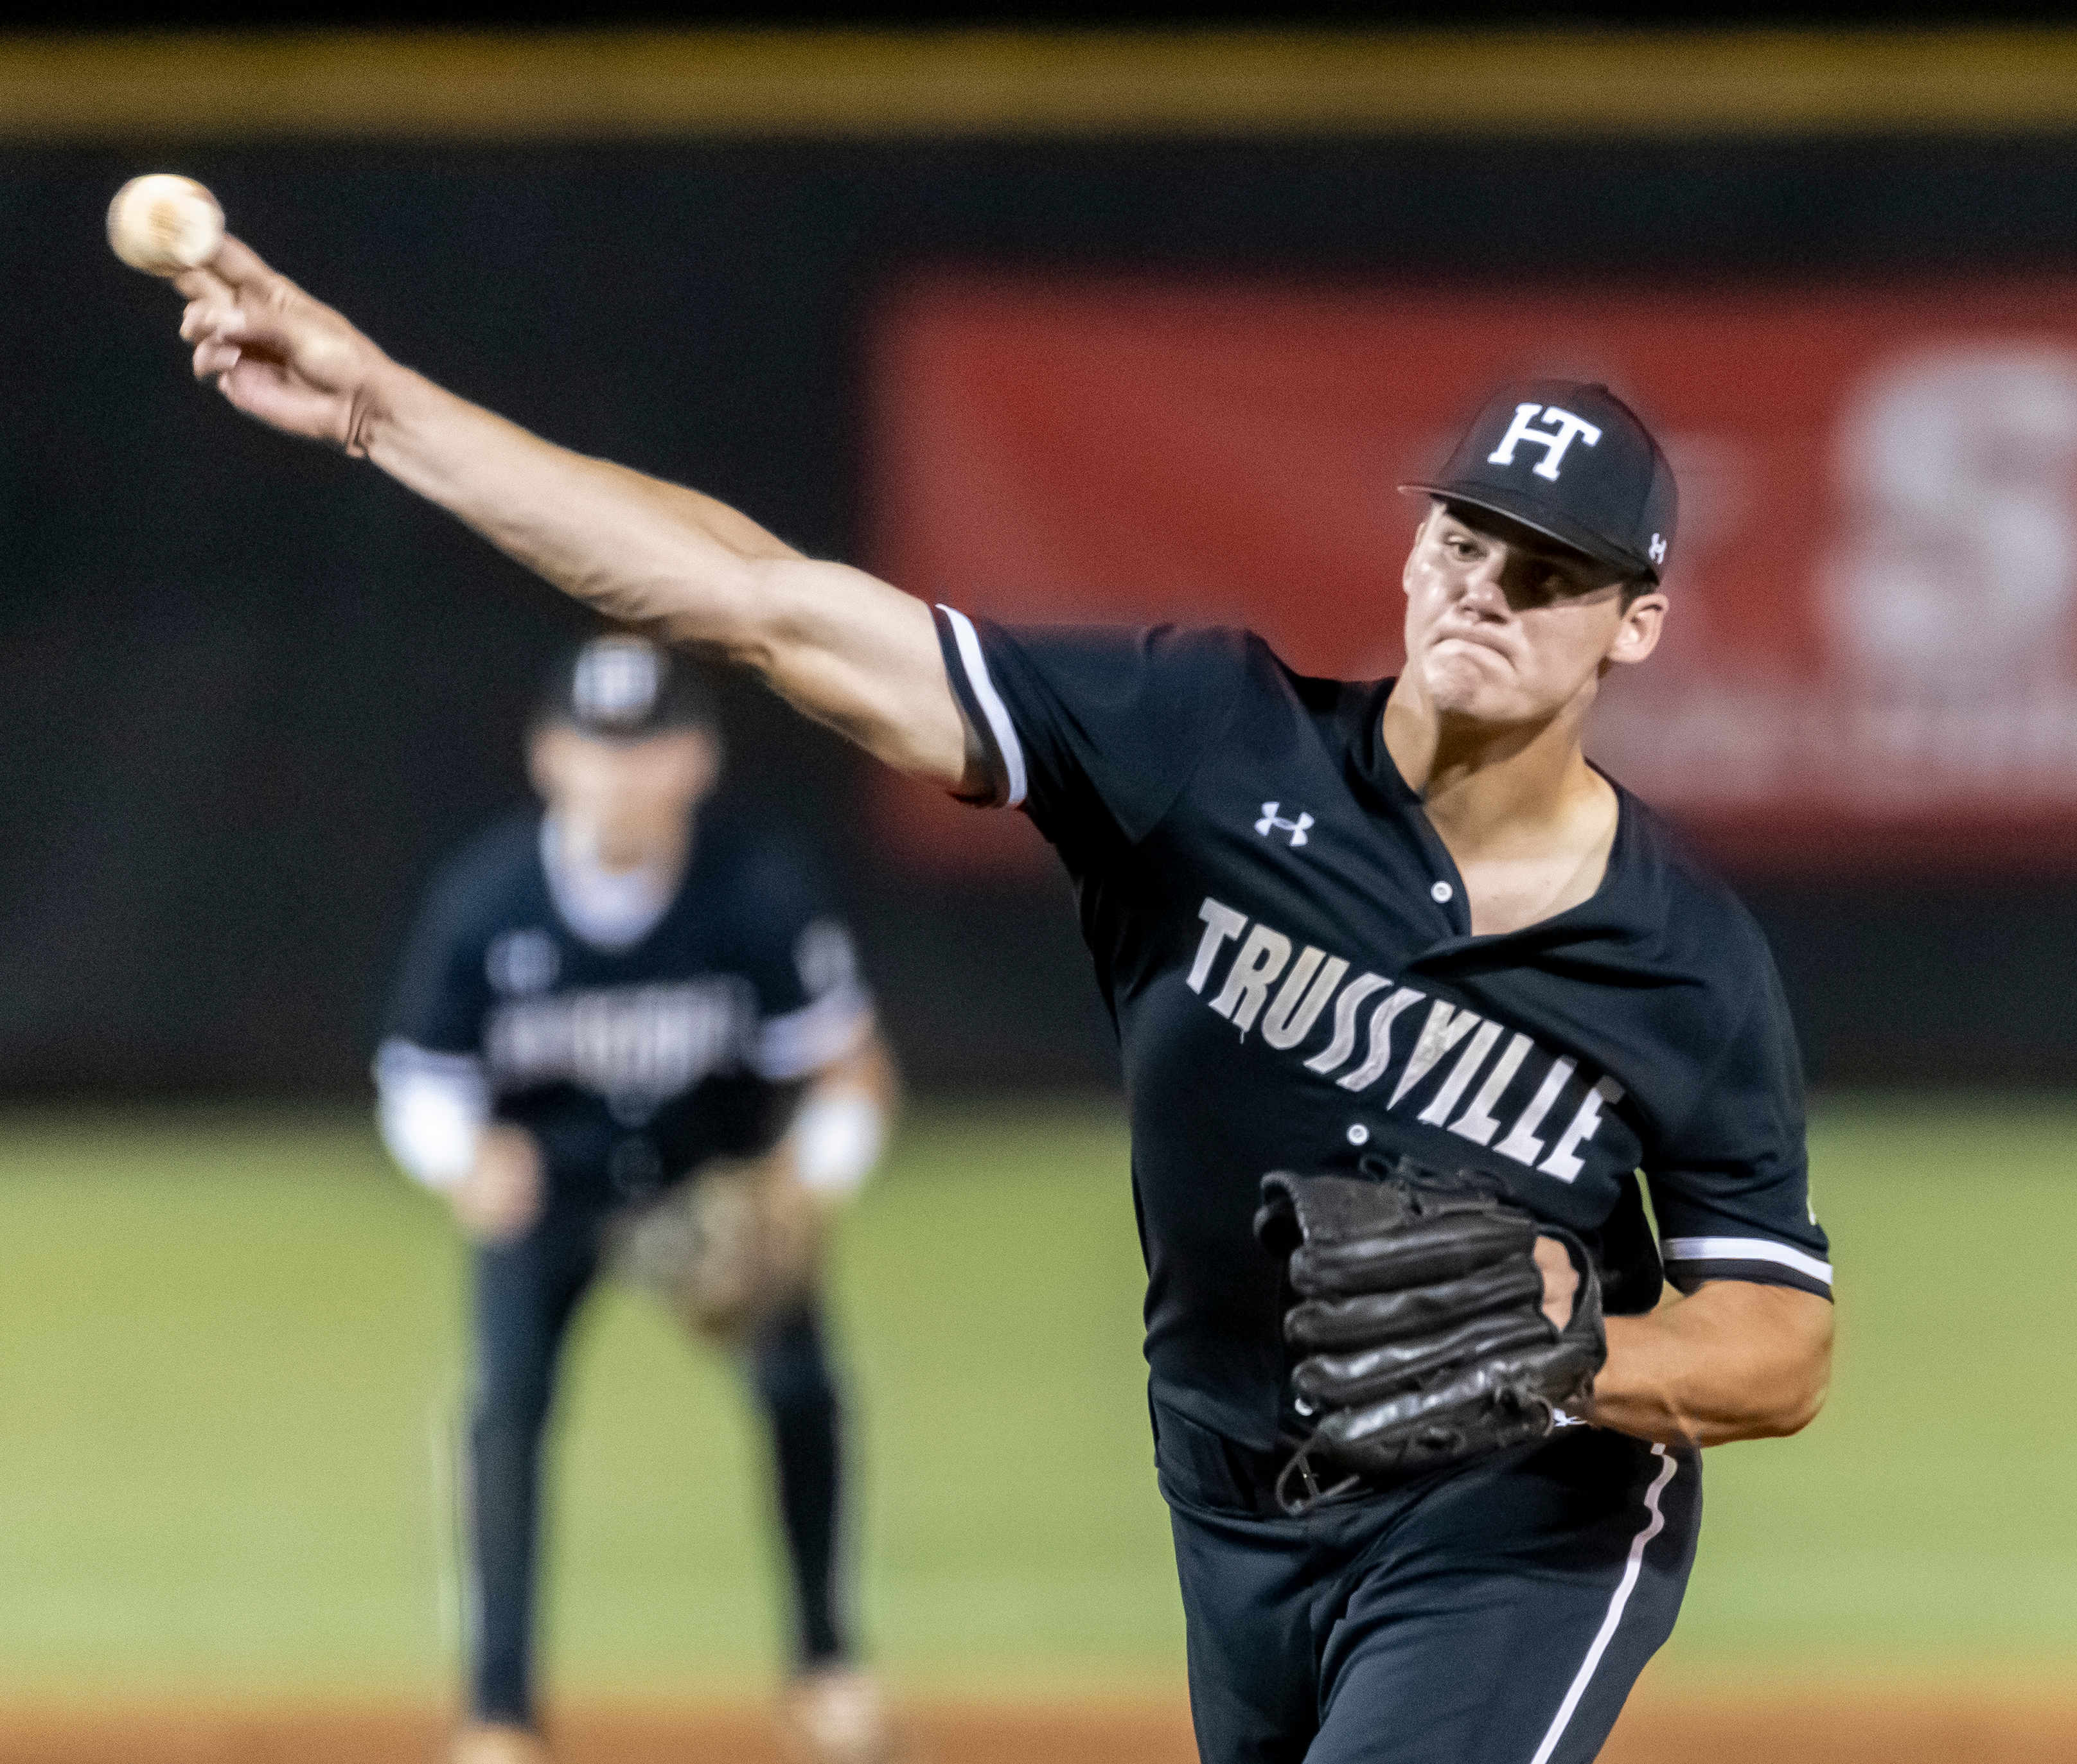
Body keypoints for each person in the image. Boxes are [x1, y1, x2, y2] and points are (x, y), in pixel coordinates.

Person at [168, 231, 1834, 1764]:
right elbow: (765, 605)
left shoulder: (1678, 957)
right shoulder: (1202, 745)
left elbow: (1781, 1340)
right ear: (1413, 551)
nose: (1488, 586)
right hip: (1231, 1488)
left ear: (1637, 623)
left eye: (1548, 574)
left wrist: (1572, 1361)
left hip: (1520, 1522)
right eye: (1466, 538)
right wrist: (386, 408)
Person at [373, 631, 900, 1764]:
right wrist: (466, 1162)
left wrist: (805, 1183)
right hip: (548, 1192)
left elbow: (852, 1069)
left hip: (717, 1180)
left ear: (696, 760)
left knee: (803, 1392)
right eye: (598, 746)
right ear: (548, 756)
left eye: (648, 745)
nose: (622, 772)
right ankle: (498, 1711)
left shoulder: (754, 886)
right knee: (504, 1408)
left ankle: (826, 1666)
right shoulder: (487, 898)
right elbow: (416, 1081)